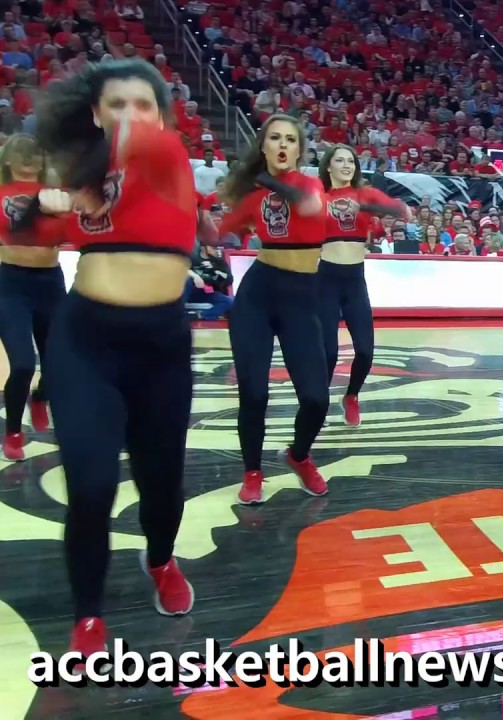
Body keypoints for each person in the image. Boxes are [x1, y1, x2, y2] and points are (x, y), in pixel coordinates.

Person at [34, 58, 202, 655]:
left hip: (161, 350)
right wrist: (43, 205)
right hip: (84, 343)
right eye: (116, 105)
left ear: (162, 116)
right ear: (95, 114)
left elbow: (142, 145)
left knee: (163, 485)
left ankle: (160, 559)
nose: (131, 115)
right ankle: (88, 617)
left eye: (143, 105)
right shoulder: (90, 175)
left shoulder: (170, 158)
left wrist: (66, 184)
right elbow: (41, 231)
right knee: (91, 485)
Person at [217, 114, 330, 506]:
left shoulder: (310, 185)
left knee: (316, 398)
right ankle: (252, 472)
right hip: (258, 294)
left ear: (299, 150)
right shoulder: (254, 196)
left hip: (302, 298)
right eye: (275, 138)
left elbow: (310, 205)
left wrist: (267, 179)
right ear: (263, 147)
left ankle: (298, 455)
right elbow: (217, 232)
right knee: (254, 393)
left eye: (290, 140)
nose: (282, 145)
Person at [315, 143, 407, 427]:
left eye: (350, 161)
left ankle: (351, 395)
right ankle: (319, 401)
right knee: (328, 353)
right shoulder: (318, 195)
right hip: (325, 279)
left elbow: (402, 211)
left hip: (355, 280)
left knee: (365, 351)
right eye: (340, 160)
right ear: (328, 166)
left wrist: (365, 207)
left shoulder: (365, 193)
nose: (346, 165)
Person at [0, 134, 64, 460]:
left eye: (34, 153)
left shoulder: (55, 195)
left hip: (50, 283)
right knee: (23, 362)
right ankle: (12, 432)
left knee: (60, 363)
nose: (27, 157)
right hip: (11, 284)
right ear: (7, 160)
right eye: (20, 152)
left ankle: (40, 398)